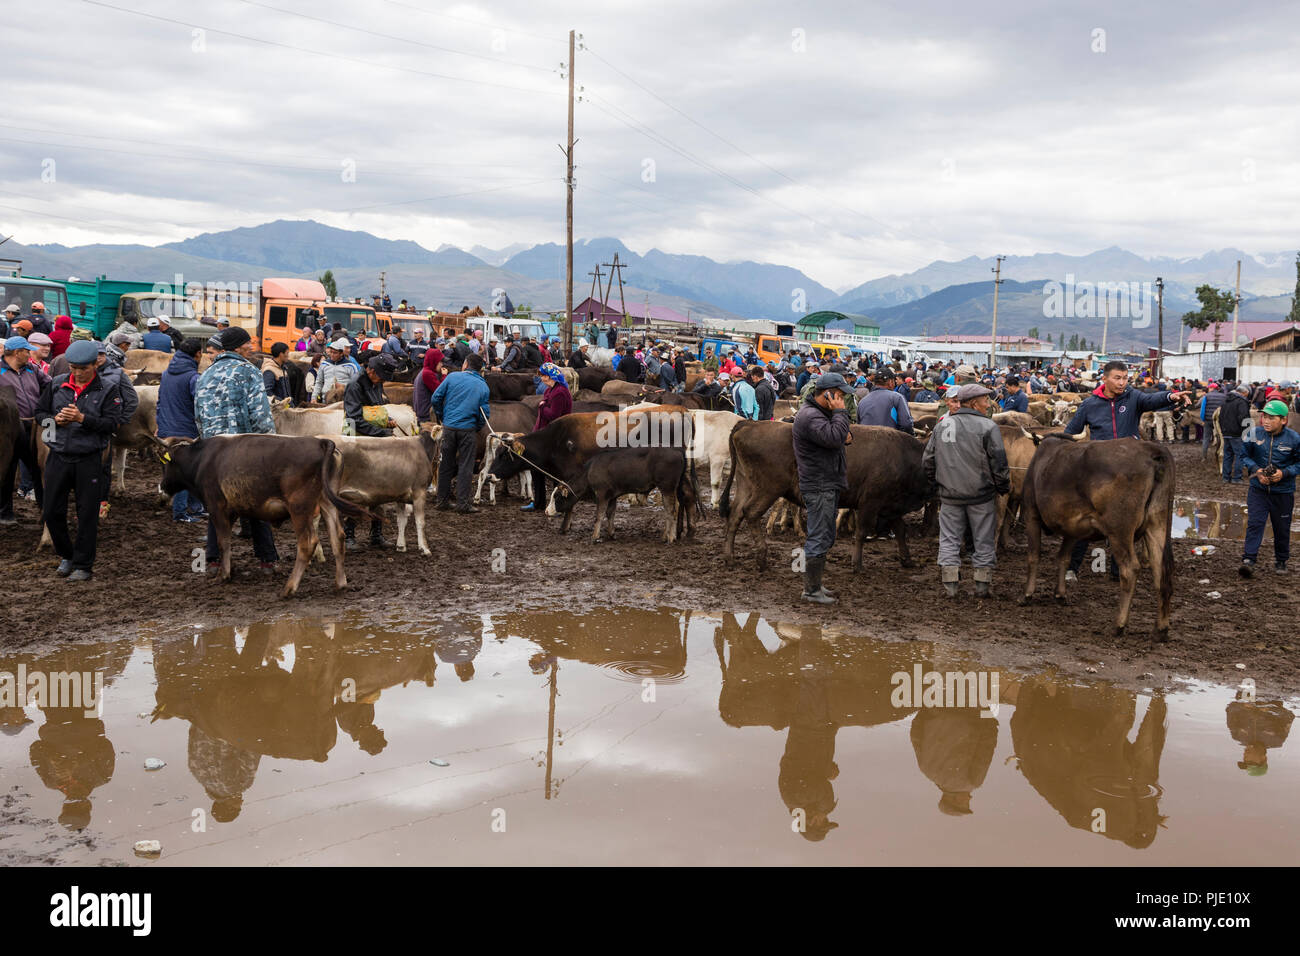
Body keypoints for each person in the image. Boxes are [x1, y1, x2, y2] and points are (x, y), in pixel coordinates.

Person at [1062, 360, 1188, 581]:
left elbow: (1152, 400)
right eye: (1117, 378)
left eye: (1125, 378)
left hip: (1128, 472)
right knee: (1085, 518)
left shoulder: (1133, 398)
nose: (1122, 383)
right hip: (1098, 471)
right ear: (1105, 379)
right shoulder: (1090, 405)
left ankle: (1117, 570)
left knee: (1124, 521)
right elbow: (1071, 432)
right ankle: (1072, 567)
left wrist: (1171, 396)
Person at [34, 340, 131, 581]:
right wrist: (55, 420)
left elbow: (111, 424)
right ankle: (67, 554)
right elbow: (40, 414)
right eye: (73, 368)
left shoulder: (108, 389)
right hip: (58, 455)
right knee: (50, 511)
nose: (77, 373)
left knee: (87, 513)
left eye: (82, 369)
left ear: (94, 365)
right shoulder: (56, 385)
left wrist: (82, 418)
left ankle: (83, 565)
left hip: (89, 458)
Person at [195, 326, 279, 572]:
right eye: (248, 343)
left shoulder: (206, 375)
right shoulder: (249, 372)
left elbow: (198, 416)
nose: (252, 347)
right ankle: (267, 558)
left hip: (213, 452)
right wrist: (269, 446)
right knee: (255, 501)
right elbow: (261, 416)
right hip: (244, 450)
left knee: (217, 505)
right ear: (238, 347)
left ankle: (212, 559)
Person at [923, 384, 1010, 598]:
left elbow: (928, 461)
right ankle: (982, 586)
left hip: (950, 495)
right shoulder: (988, 427)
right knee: (983, 540)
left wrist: (937, 485)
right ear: (974, 403)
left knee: (949, 539)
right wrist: (1002, 487)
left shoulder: (942, 425)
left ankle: (950, 586)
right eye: (985, 400)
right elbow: (999, 463)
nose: (988, 404)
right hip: (980, 495)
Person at [792, 373, 854, 604]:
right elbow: (833, 437)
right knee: (818, 536)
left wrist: (843, 433)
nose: (843, 400)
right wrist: (839, 414)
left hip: (826, 481)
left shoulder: (818, 414)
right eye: (840, 395)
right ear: (827, 393)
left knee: (825, 534)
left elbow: (841, 436)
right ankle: (810, 590)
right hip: (819, 484)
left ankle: (815, 585)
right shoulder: (811, 416)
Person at [1238, 399, 1300, 577]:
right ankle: (1248, 560)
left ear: (1283, 420)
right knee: (1255, 523)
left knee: (1281, 526)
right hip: (1258, 490)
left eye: (1271, 418)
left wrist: (1284, 473)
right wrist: (1257, 470)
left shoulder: (1294, 439)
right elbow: (1244, 456)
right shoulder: (1253, 433)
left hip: (1283, 492)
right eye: (1264, 416)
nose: (1265, 420)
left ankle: (1281, 560)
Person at [431, 352, 490, 514]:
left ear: (465, 364)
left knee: (445, 464)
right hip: (468, 430)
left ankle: (442, 500)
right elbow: (484, 413)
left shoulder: (452, 377)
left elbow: (436, 398)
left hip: (449, 428)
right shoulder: (483, 386)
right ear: (480, 369)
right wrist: (476, 426)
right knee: (466, 466)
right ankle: (462, 504)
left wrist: (443, 416)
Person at [156, 338, 206, 523]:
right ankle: (181, 513)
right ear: (198, 354)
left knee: (178, 470)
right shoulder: (194, 378)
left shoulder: (167, 374)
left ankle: (195, 508)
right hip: (187, 433)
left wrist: (159, 426)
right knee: (187, 473)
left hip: (167, 432)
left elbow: (160, 402)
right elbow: (200, 406)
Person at [0, 336, 49, 525]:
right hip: (9, 429)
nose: (30, 354)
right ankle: (5, 513)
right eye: (26, 351)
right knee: (7, 469)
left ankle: (45, 510)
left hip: (35, 425)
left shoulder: (32, 369)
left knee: (39, 467)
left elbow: (49, 385)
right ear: (16, 353)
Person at [521, 363, 572, 514]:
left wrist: (542, 406)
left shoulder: (560, 392)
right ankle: (538, 503)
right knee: (536, 469)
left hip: (554, 438)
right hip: (543, 436)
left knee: (554, 472)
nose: (541, 378)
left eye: (543, 375)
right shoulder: (551, 390)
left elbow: (554, 416)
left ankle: (559, 504)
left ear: (550, 376)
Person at [311, 337, 360, 403]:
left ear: (341, 353)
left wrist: (344, 387)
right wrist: (314, 397)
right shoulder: (324, 364)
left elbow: (356, 384)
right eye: (331, 352)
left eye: (335, 353)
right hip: (325, 400)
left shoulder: (350, 366)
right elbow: (319, 382)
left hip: (343, 400)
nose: (332, 355)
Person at [1221, 384, 1253, 483]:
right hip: (1237, 433)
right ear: (1245, 393)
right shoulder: (1242, 402)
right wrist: (1247, 432)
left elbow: (1220, 416)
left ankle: (1226, 477)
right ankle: (1237, 477)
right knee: (1240, 455)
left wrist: (1223, 430)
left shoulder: (1226, 400)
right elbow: (1244, 418)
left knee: (1228, 455)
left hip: (1226, 432)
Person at [414, 345, 446, 422]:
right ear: (434, 361)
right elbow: (440, 391)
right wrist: (444, 376)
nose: (442, 364)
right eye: (440, 362)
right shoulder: (427, 373)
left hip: (424, 412)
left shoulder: (425, 371)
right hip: (427, 415)